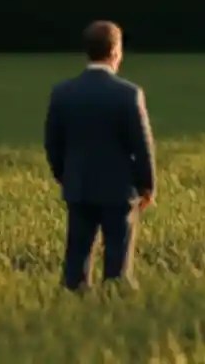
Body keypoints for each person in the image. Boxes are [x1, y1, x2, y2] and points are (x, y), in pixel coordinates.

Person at [44, 21, 156, 291]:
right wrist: (147, 186)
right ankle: (114, 302)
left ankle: (75, 301)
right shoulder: (128, 94)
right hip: (119, 191)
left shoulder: (63, 93)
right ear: (116, 52)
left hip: (79, 187)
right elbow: (142, 146)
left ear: (87, 52)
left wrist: (63, 174)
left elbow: (52, 143)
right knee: (118, 263)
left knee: (76, 259)